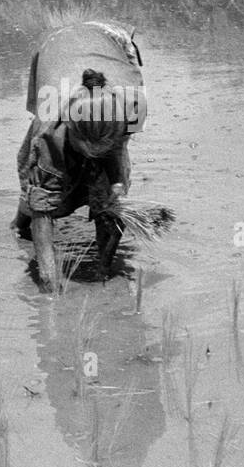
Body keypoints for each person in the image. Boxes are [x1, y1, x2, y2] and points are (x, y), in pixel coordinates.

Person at [12, 21, 147, 290]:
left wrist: (116, 184)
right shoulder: (50, 129)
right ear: (71, 128)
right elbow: (44, 206)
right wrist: (50, 284)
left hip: (106, 46)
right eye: (88, 149)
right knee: (39, 196)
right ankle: (18, 223)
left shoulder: (129, 109)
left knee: (107, 201)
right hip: (59, 52)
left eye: (103, 146)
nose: (94, 154)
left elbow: (117, 154)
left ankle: (104, 265)